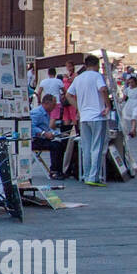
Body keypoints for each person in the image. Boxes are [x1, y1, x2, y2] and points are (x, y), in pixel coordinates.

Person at [66, 53, 109, 186]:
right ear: (96, 65)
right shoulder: (97, 76)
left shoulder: (78, 78)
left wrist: (78, 107)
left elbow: (68, 95)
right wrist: (108, 105)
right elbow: (102, 89)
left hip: (84, 117)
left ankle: (86, 174)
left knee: (86, 147)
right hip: (97, 116)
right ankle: (93, 176)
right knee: (97, 146)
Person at [30, 96, 68, 178]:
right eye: (53, 104)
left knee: (60, 145)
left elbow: (47, 128)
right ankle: (54, 171)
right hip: (35, 140)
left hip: (41, 139)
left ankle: (58, 170)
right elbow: (31, 126)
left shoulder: (46, 113)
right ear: (47, 103)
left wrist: (58, 133)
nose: (55, 106)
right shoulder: (37, 113)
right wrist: (43, 133)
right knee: (56, 146)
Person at [122, 73, 137, 138]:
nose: (131, 84)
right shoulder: (127, 89)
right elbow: (124, 97)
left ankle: (132, 130)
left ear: (135, 82)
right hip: (130, 103)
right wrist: (120, 101)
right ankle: (134, 130)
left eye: (132, 82)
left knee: (134, 116)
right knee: (132, 117)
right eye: (129, 83)